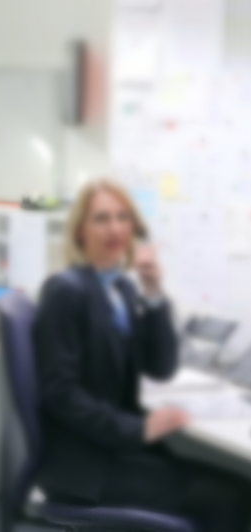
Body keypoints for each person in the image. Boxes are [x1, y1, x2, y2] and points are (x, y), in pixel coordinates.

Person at [34, 178, 251, 532]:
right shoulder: (65, 292)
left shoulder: (119, 288)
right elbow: (60, 393)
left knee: (234, 485)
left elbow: (161, 366)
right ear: (79, 232)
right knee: (232, 494)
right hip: (86, 467)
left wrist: (153, 295)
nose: (115, 228)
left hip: (113, 452)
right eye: (101, 218)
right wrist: (139, 427)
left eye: (123, 217)